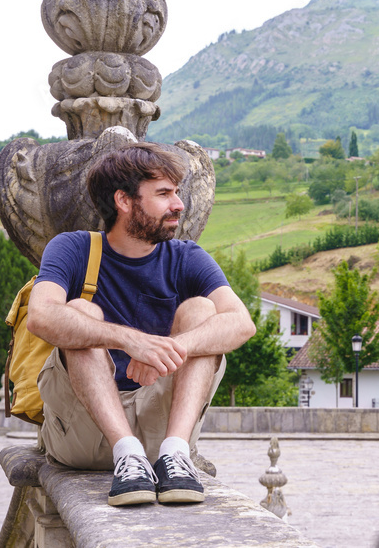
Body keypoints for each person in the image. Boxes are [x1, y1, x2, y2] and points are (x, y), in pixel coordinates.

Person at [26, 142, 255, 506]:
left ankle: (177, 456)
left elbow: (242, 324)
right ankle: (126, 452)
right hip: (83, 430)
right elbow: (40, 315)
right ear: (123, 200)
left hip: (161, 429)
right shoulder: (72, 248)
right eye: (164, 194)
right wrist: (131, 342)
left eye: (176, 193)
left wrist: (167, 348)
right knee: (81, 314)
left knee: (200, 311)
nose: (178, 205)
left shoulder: (186, 257)